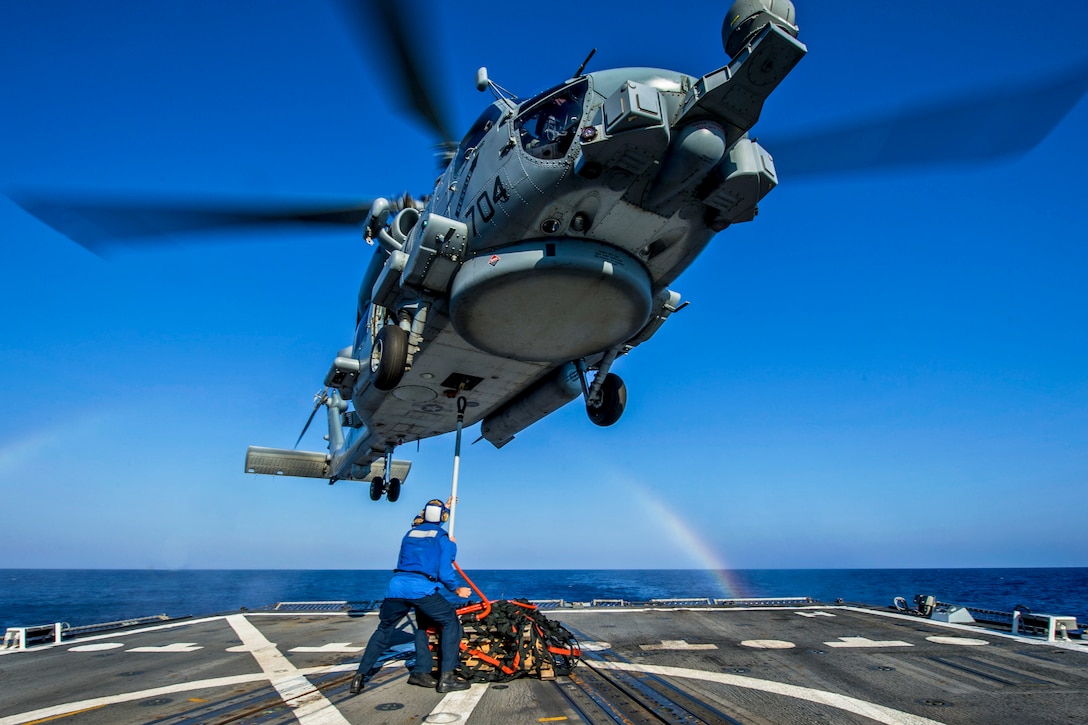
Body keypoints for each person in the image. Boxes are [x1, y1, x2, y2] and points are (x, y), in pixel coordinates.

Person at [350, 498, 472, 695]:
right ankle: (447, 677)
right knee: (451, 621)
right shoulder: (443, 538)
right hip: (421, 589)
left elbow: (424, 523)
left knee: (394, 629)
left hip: (396, 588)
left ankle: (361, 677)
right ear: (443, 518)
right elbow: (444, 569)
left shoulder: (410, 533)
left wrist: (445, 507)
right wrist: (456, 588)